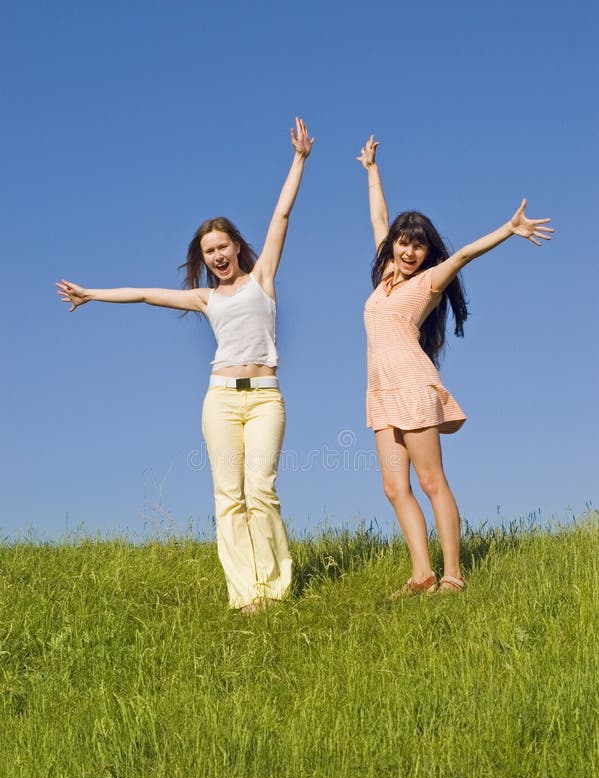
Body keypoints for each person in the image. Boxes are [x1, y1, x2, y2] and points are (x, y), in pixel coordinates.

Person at [57, 118, 315, 616]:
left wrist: (299, 160)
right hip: (219, 398)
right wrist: (91, 294)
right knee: (228, 496)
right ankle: (246, 596)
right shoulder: (204, 298)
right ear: (203, 259)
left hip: (264, 397)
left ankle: (275, 589)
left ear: (237, 247)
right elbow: (144, 294)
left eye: (222, 247)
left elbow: (281, 216)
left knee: (260, 489)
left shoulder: (263, 279)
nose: (217, 255)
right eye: (208, 251)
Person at [357, 135, 553, 594]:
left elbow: (464, 254)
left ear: (428, 254)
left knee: (430, 480)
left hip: (412, 387)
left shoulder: (427, 283)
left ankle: (452, 575)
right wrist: (371, 171)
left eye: (418, 247)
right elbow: (378, 219)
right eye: (403, 244)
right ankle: (421, 574)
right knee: (393, 487)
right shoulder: (385, 276)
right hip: (381, 394)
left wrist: (509, 229)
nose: (408, 251)